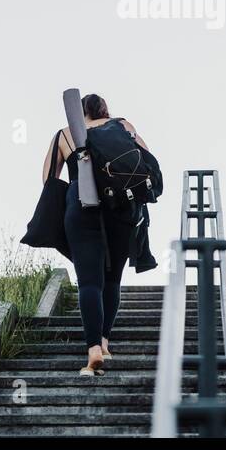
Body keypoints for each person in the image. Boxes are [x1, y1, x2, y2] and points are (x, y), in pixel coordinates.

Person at [41, 93, 148, 377]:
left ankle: (93, 351)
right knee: (112, 279)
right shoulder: (122, 125)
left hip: (81, 204)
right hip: (122, 208)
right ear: (104, 109)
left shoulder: (64, 134)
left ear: (81, 112)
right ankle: (105, 342)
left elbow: (49, 180)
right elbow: (145, 163)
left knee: (90, 281)